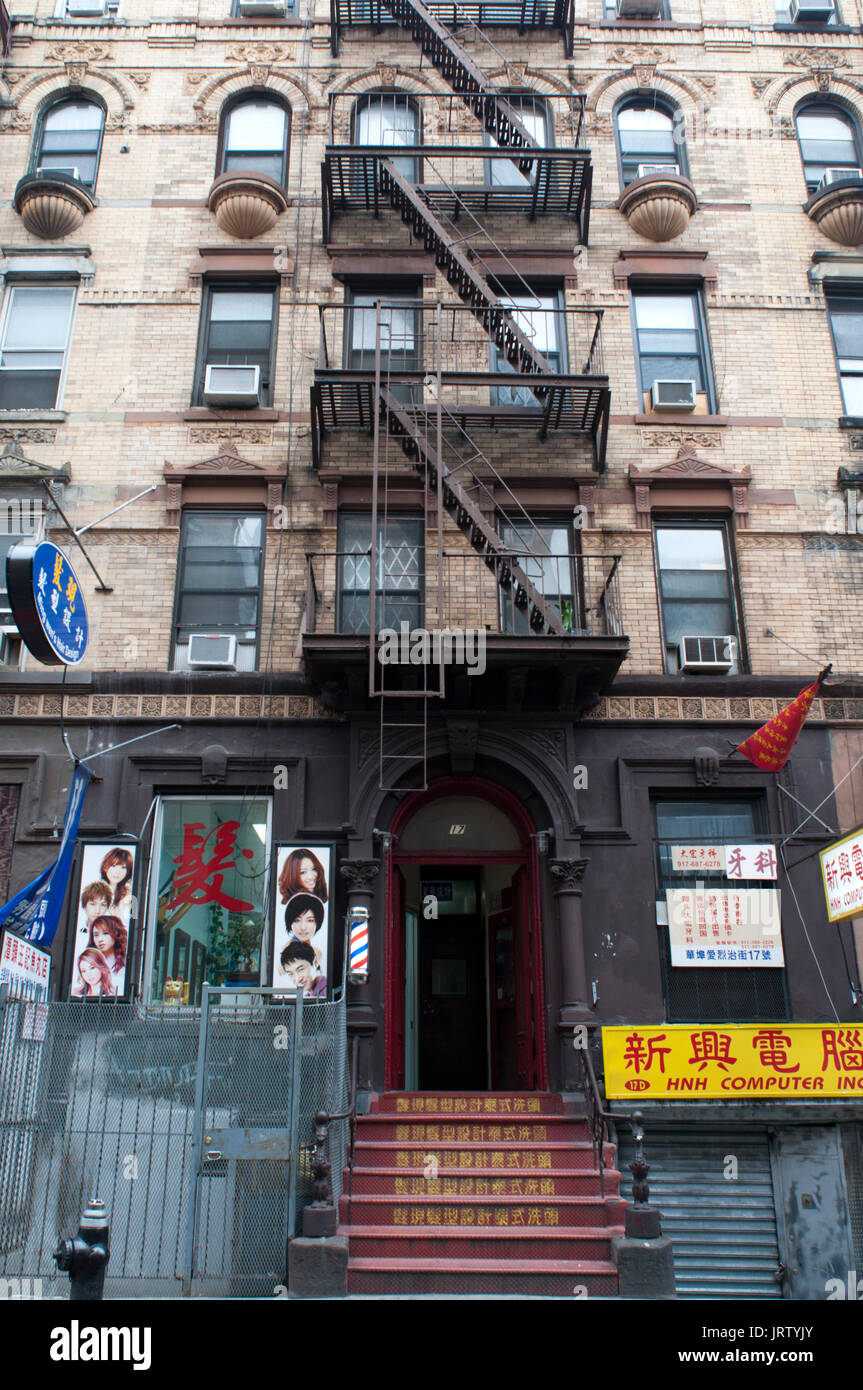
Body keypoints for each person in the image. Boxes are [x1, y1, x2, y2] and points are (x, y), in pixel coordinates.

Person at [282, 892, 326, 970]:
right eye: (297, 920)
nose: (303, 927)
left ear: (318, 922)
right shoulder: (284, 953)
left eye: (310, 920)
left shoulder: (318, 953)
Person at [88, 915, 127, 981]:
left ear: (116, 933)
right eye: (96, 935)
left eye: (105, 933)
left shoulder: (126, 961)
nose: (100, 939)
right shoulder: (88, 961)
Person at [100, 848, 134, 921]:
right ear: (105, 867)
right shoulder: (95, 891)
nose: (118, 872)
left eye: (123, 867)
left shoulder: (131, 894)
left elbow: (134, 920)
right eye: (113, 866)